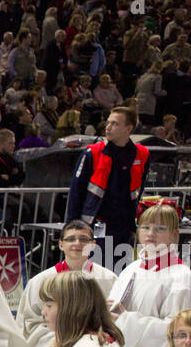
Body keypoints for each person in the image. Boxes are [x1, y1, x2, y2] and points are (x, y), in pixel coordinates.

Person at [19, 220, 117, 347]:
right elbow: (30, 325)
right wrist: (71, 334)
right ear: (61, 244)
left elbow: (116, 319)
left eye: (83, 239)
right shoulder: (41, 281)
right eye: (71, 239)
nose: (77, 244)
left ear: (93, 244)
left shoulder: (109, 279)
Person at [107, 203, 191, 347]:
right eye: (146, 227)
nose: (151, 233)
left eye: (160, 228)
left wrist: (127, 319)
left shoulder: (179, 277)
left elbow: (178, 331)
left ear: (174, 235)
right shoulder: (132, 269)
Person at [64, 106, 151, 267]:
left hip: (124, 228)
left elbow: (139, 189)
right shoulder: (92, 153)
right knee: (91, 274)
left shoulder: (142, 154)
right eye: (108, 122)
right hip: (94, 226)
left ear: (128, 129)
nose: (108, 127)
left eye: (115, 124)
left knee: (118, 275)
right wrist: (72, 228)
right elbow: (76, 193)